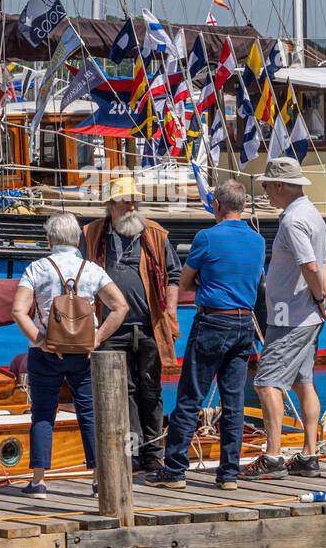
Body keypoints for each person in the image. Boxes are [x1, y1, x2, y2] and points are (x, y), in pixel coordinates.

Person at [146, 179, 264, 490]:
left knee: (190, 397)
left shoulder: (206, 237)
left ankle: (175, 470)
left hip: (213, 321)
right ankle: (228, 474)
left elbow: (184, 282)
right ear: (243, 207)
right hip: (243, 324)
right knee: (234, 401)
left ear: (217, 206)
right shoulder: (257, 241)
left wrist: (206, 285)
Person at [13, 212, 128, 497]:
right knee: (89, 414)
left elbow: (18, 310)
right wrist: (95, 340)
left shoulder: (37, 268)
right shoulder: (91, 269)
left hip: (46, 354)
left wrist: (41, 341)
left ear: (49, 239)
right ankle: (97, 479)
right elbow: (120, 307)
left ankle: (38, 480)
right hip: (83, 354)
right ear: (77, 239)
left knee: (42, 413)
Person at [241, 157, 326, 480]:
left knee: (266, 383)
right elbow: (324, 264)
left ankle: (273, 456)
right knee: (303, 382)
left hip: (288, 318)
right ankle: (309, 454)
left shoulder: (292, 221)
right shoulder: (314, 215)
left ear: (280, 185)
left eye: (267, 186)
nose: (265, 192)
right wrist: (322, 303)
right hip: (307, 316)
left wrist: (319, 298)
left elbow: (310, 265)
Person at [80, 175, 180, 473]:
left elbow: (173, 276)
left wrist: (171, 312)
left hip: (150, 326)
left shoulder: (155, 234)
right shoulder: (92, 234)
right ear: (111, 205)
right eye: (126, 200)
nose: (133, 205)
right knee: (123, 392)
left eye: (135, 200)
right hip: (111, 328)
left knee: (151, 390)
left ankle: (154, 452)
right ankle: (133, 455)